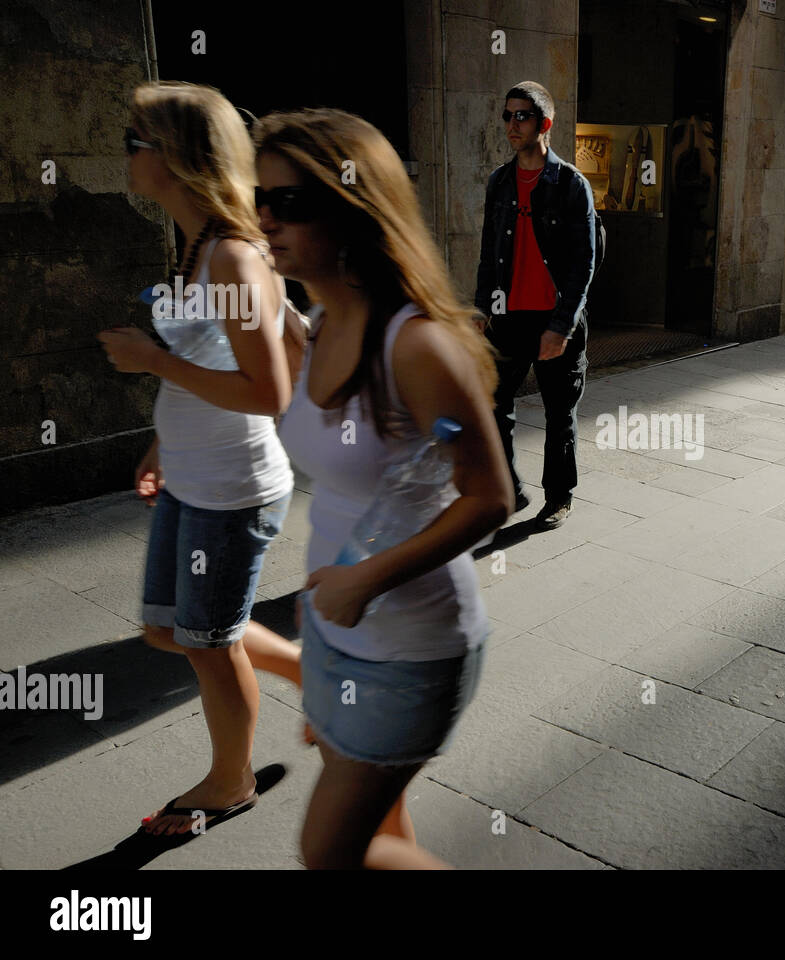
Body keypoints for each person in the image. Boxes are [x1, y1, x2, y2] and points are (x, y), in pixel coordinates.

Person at [255, 108, 513, 869]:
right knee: (380, 836)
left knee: (330, 855)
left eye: (289, 202)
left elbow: (489, 496)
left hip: (407, 650)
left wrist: (365, 580)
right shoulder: (320, 322)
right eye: (258, 198)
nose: (266, 218)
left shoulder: (418, 344)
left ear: (353, 206)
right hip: (333, 633)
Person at [98, 82, 306, 837]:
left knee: (207, 642)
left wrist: (152, 362)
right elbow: (238, 354)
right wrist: (161, 440)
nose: (126, 152)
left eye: (136, 140)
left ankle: (231, 782)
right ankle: (304, 671)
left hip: (232, 491)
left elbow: (269, 389)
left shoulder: (229, 258)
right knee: (167, 629)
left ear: (178, 159)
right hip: (191, 476)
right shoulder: (199, 247)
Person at [474, 81, 596, 530]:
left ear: (544, 123)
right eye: (507, 115)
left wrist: (562, 326)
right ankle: (509, 487)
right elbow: (490, 252)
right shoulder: (499, 182)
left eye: (521, 116)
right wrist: (482, 308)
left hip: (554, 319)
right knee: (492, 405)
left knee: (559, 413)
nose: (511, 124)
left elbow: (584, 262)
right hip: (507, 318)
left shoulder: (570, 185)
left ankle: (558, 497)